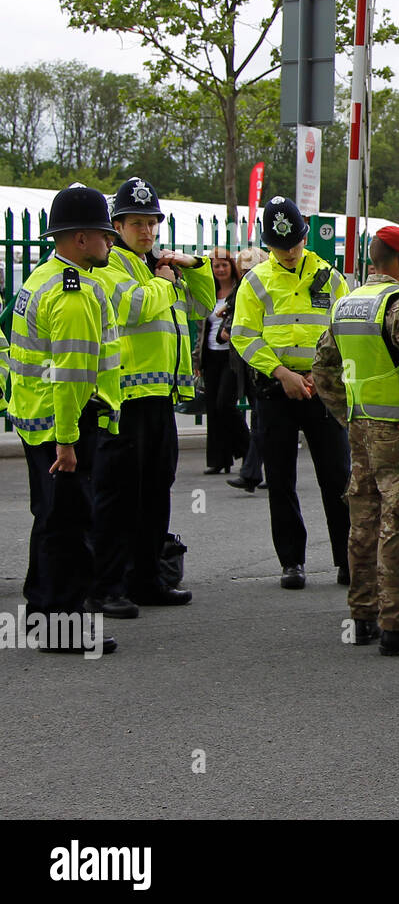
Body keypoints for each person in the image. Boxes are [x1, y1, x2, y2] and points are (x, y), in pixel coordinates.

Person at [313, 225, 399, 656]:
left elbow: (322, 369)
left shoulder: (347, 303)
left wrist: (344, 413)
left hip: (361, 428)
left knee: (364, 523)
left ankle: (363, 615)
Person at [88, 177, 213, 618]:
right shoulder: (110, 266)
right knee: (119, 494)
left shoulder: (156, 265)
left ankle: (147, 579)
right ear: (117, 226)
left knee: (157, 490)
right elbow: (133, 307)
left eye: (152, 223)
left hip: (159, 395)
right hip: (123, 398)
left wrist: (191, 264)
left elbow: (206, 302)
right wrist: (163, 279)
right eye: (137, 223)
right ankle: (109, 586)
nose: (147, 231)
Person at [10, 184, 122, 654]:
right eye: (103, 234)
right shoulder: (73, 296)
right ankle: (64, 627)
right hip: (64, 426)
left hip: (36, 421)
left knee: (49, 519)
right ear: (80, 239)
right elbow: (72, 377)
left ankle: (41, 614)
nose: (110, 241)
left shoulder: (41, 278)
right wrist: (69, 442)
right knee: (69, 528)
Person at [231, 197, 351, 590]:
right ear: (269, 244)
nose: (288, 253)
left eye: (295, 244)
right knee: (280, 479)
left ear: (304, 236)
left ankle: (347, 559)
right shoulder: (255, 280)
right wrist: (282, 373)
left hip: (322, 389)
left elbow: (345, 331)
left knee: (337, 477)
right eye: (280, 247)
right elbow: (243, 335)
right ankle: (292, 562)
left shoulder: (330, 277)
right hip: (276, 389)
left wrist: (323, 375)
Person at [196, 248, 250, 475]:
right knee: (212, 408)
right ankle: (219, 459)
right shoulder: (209, 292)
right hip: (210, 355)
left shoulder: (240, 292)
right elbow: (201, 329)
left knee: (224, 404)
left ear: (231, 267)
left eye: (223, 265)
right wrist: (196, 359)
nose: (219, 269)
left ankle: (248, 449)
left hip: (231, 355)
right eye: (215, 266)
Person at [227, 247, 269, 493]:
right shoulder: (241, 289)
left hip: (262, 364)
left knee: (262, 421)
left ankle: (251, 472)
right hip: (247, 362)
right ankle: (252, 471)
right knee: (260, 421)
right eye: (242, 270)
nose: (246, 274)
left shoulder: (262, 289)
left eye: (250, 269)